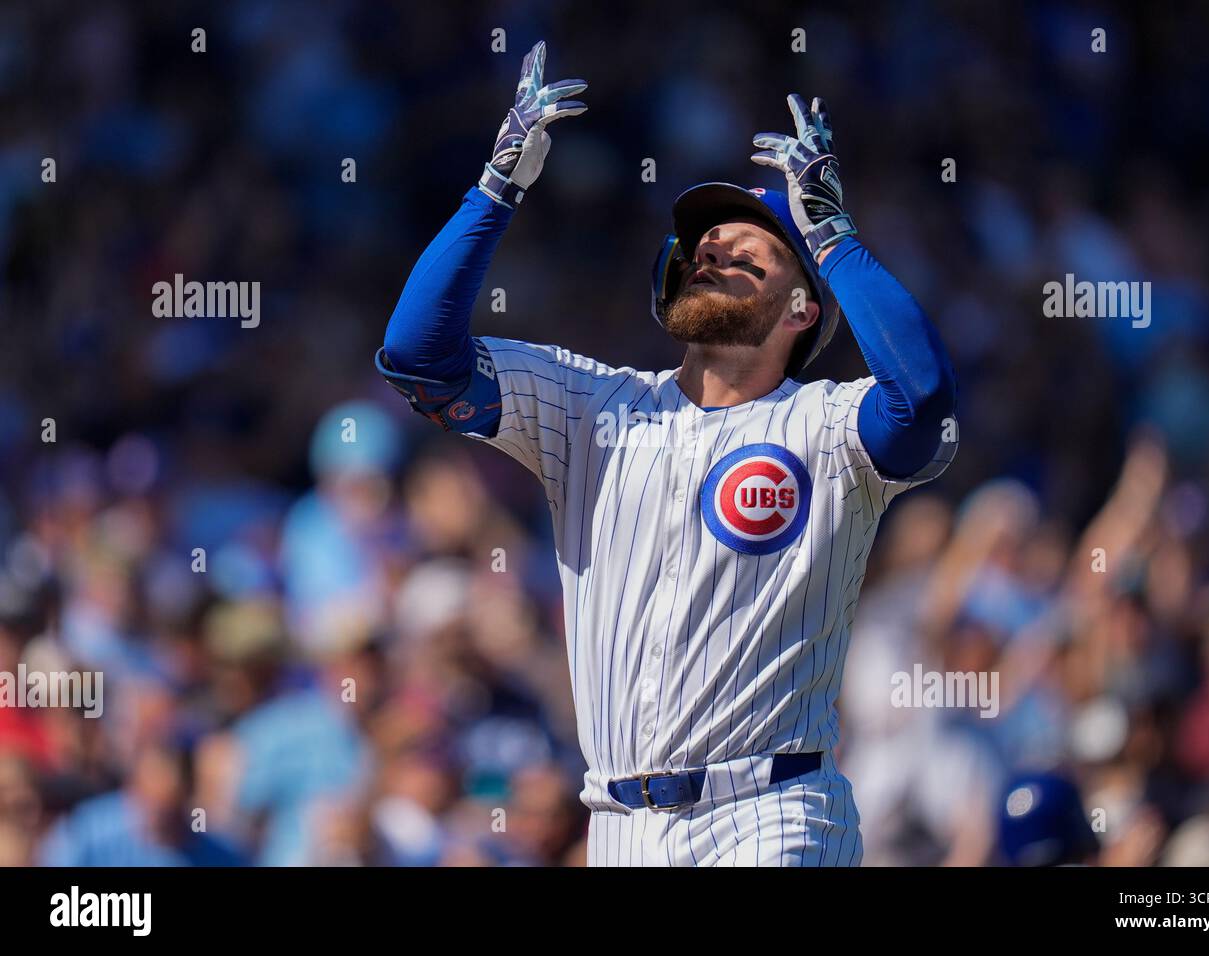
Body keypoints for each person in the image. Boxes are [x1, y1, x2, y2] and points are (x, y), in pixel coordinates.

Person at [376, 41, 957, 866]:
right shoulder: (590, 404)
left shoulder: (829, 427)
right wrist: (496, 188)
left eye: (752, 246)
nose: (715, 247)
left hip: (774, 811)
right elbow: (416, 354)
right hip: (617, 826)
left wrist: (834, 238)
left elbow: (922, 396)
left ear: (802, 308)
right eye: (705, 243)